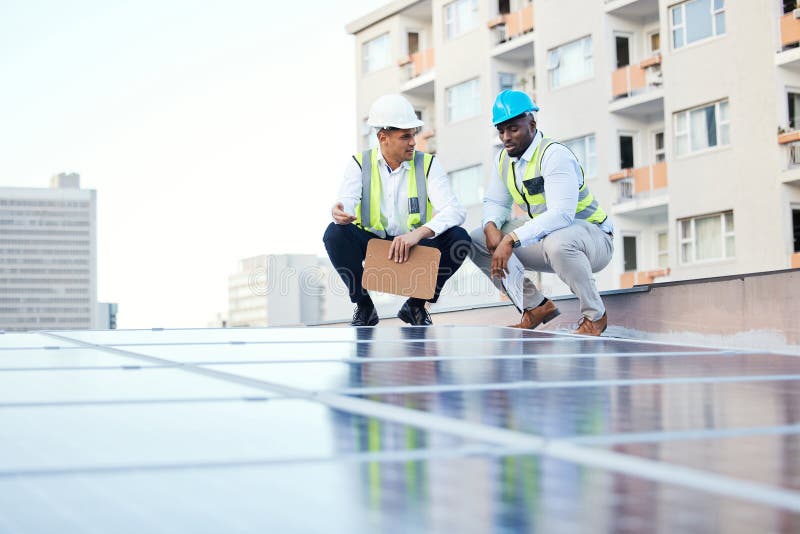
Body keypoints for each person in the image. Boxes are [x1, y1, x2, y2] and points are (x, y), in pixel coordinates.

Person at [469, 90, 615, 336]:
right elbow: (495, 201)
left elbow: (562, 215)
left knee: (558, 242)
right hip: (547, 239)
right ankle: (534, 306)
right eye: (501, 131)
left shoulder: (554, 155)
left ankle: (595, 317)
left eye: (513, 129)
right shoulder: (503, 160)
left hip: (594, 240)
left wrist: (510, 239)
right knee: (476, 239)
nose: (506, 137)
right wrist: (491, 226)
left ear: (532, 125)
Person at [324, 94, 470, 327]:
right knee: (334, 233)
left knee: (459, 238)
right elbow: (346, 201)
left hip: (413, 245)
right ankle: (364, 307)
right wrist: (339, 211)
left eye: (413, 134)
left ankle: (416, 306)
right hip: (373, 244)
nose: (413, 142)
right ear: (383, 138)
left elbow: (455, 210)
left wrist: (418, 234)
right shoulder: (359, 164)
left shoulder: (428, 164)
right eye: (405, 136)